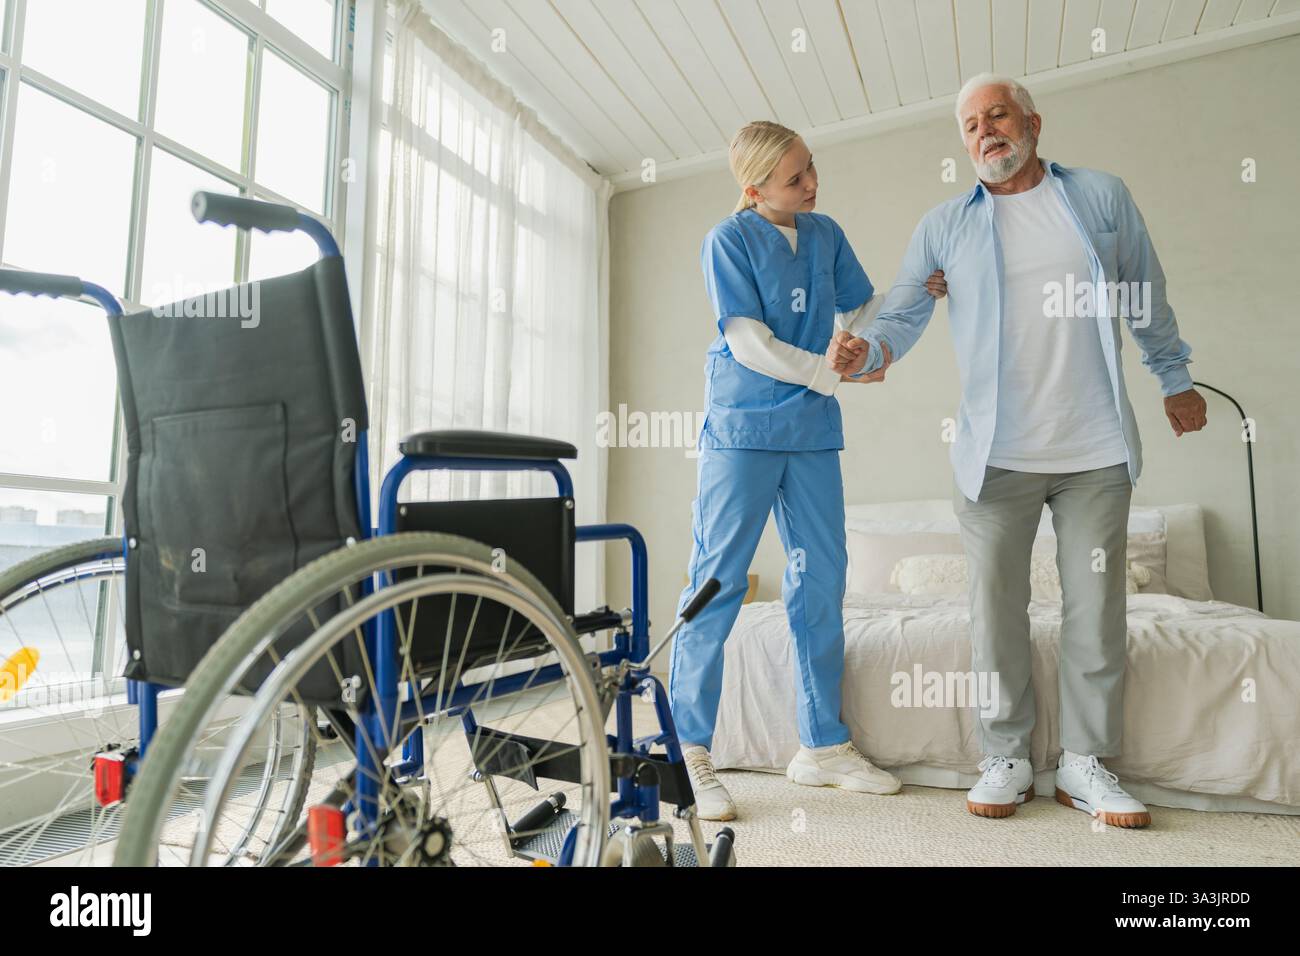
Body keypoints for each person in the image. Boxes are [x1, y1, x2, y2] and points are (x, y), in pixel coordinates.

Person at [830, 74, 1206, 828]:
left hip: (1094, 448)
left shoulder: (1100, 197)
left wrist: (1174, 377)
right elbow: (902, 312)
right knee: (994, 607)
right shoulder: (946, 225)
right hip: (994, 455)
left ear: (1032, 122)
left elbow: (1145, 292)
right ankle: (1005, 755)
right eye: (969, 125)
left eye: (996, 115)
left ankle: (1084, 763)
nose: (984, 132)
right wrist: (865, 355)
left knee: (1095, 607)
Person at [673, 120, 947, 821]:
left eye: (812, 169)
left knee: (822, 577)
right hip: (744, 426)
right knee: (718, 580)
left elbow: (866, 303)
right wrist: (826, 374)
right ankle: (689, 750)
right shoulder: (727, 240)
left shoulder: (825, 234)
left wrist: (868, 340)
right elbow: (745, 339)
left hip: (812, 433)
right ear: (755, 186)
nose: (812, 184)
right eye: (795, 178)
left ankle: (822, 745)